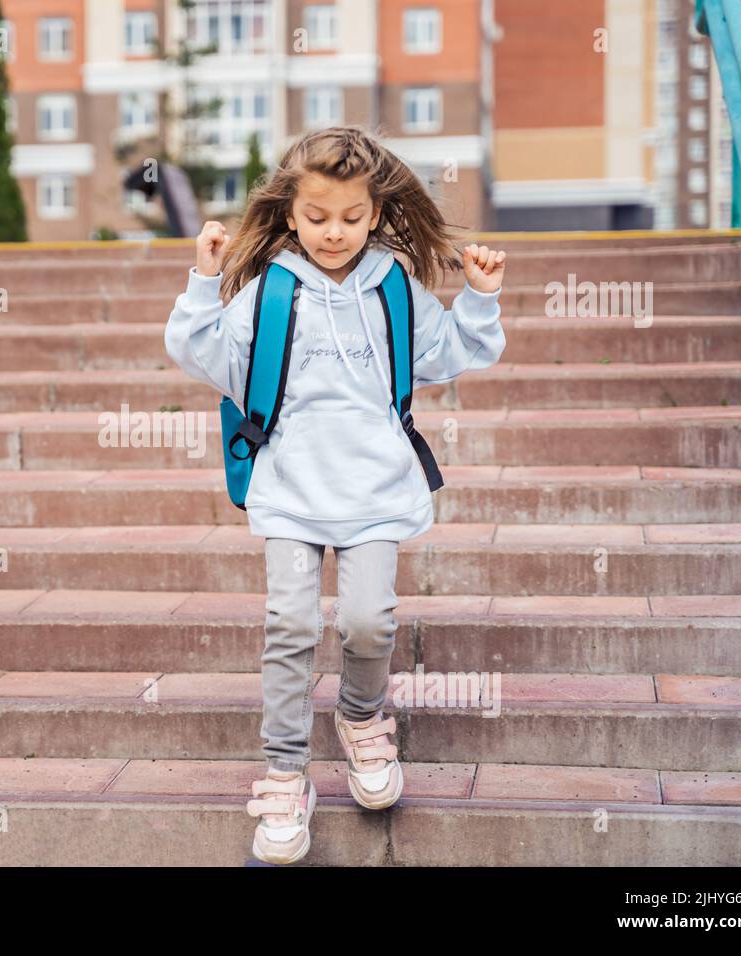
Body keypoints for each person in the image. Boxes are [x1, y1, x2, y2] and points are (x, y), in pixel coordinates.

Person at [163, 125, 508, 864]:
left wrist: (480, 298)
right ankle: (287, 774)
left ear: (377, 214)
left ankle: (359, 719)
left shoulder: (392, 285)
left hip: (375, 489)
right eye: (317, 217)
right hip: (290, 487)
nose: (334, 232)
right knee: (289, 623)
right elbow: (208, 358)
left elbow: (449, 354)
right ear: (289, 212)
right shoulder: (273, 288)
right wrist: (201, 282)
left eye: (352, 218)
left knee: (367, 623)